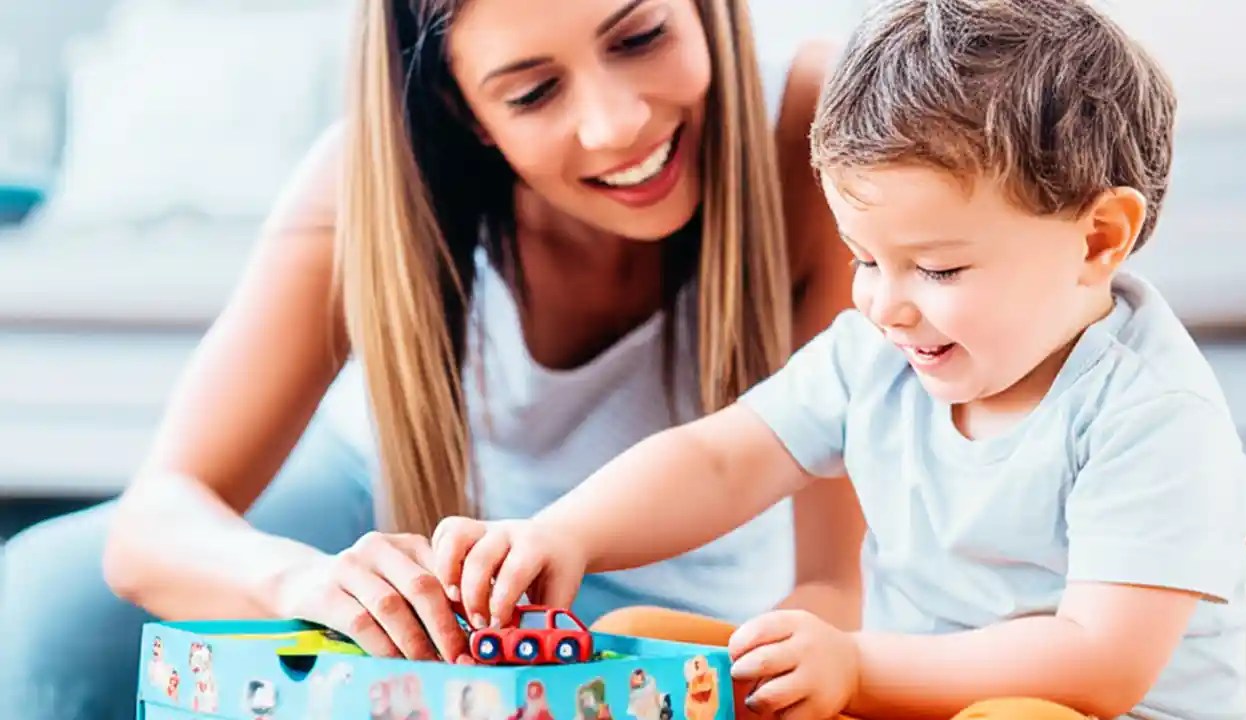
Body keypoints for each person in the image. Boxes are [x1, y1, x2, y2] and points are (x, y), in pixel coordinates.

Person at [0, 1, 865, 718]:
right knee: (43, 609)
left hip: (678, 595)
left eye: (642, 37)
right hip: (380, 516)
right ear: (463, 110)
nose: (617, 125)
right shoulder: (367, 185)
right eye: (533, 92)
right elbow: (152, 524)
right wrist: (301, 584)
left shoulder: (823, 133)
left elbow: (836, 582)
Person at [430, 0, 1246, 718]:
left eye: (937, 269)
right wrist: (568, 534)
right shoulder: (880, 353)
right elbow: (721, 459)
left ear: (1098, 238)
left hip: (1076, 709)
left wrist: (856, 665)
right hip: (896, 690)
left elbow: (1098, 662)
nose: (883, 304)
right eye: (864, 258)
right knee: (638, 639)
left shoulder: (1150, 414)